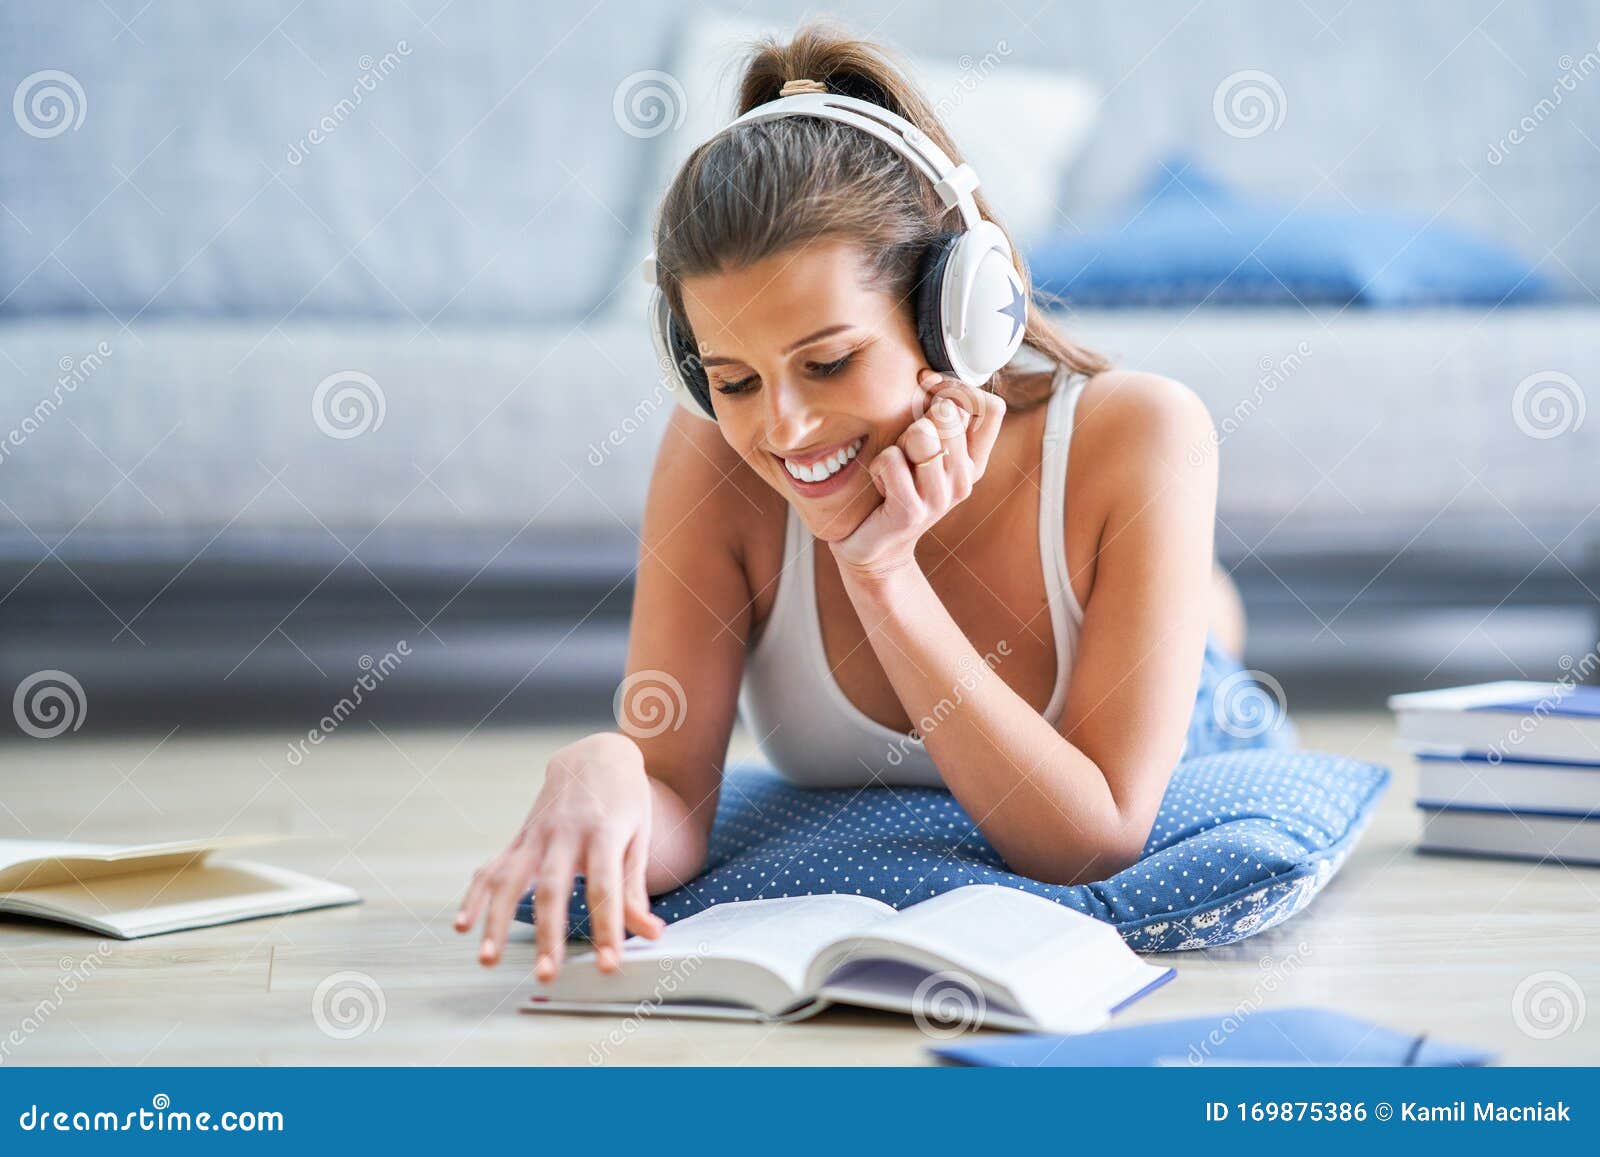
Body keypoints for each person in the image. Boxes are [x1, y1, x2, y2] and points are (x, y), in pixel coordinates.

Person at [457, 22, 1251, 981]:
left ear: (954, 313)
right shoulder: (713, 455)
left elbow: (1090, 843)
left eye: (828, 362)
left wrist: (880, 570)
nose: (785, 430)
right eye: (734, 378)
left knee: (1205, 626)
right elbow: (672, 798)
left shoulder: (1144, 434)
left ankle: (1204, 603)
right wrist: (606, 765)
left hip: (1191, 675)